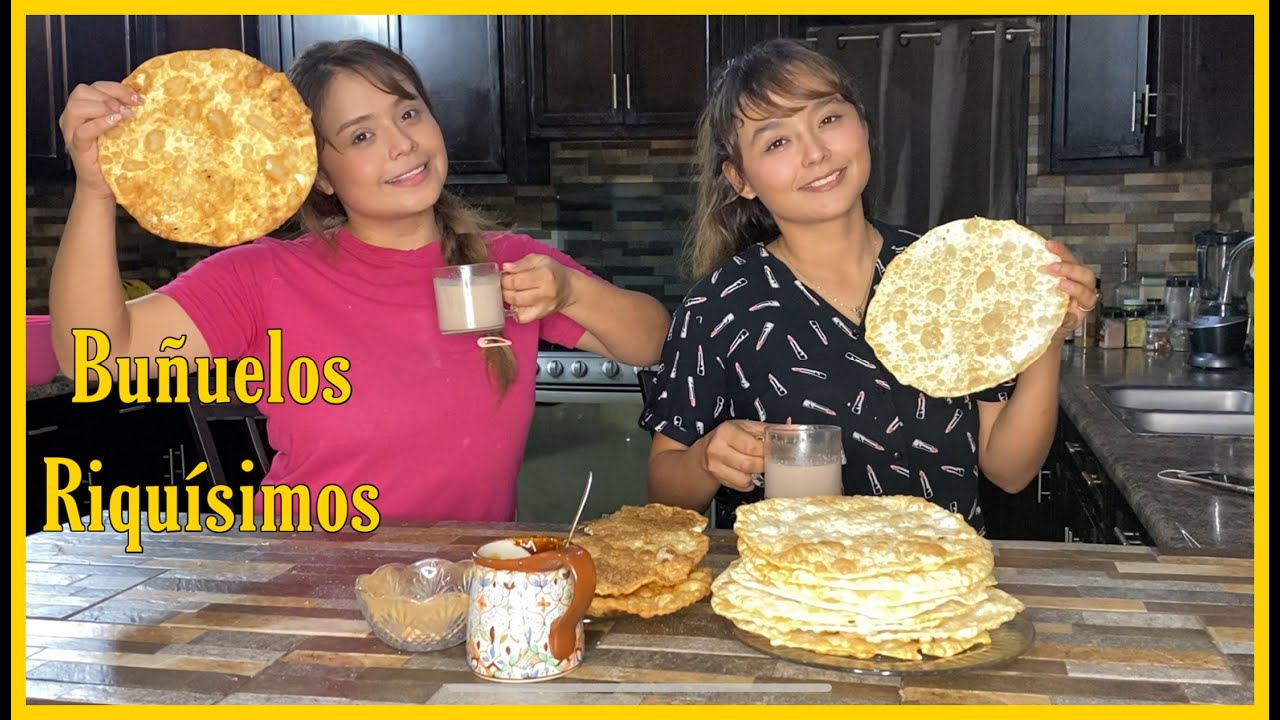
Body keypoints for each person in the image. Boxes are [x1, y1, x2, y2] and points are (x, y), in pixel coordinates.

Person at [49, 39, 671, 522]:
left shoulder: (503, 264)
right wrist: (96, 190)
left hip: (462, 592)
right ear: (319, 175)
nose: (403, 144)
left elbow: (652, 344)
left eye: (410, 112)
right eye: (362, 135)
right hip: (309, 590)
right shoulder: (264, 276)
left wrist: (571, 291)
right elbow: (93, 355)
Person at [642, 39, 1098, 532]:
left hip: (942, 586)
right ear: (740, 179)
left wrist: (1047, 335)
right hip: (797, 594)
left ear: (862, 125)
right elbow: (665, 497)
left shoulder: (946, 273)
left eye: (828, 120)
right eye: (777, 142)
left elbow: (1009, 471)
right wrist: (707, 458)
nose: (815, 153)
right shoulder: (718, 306)